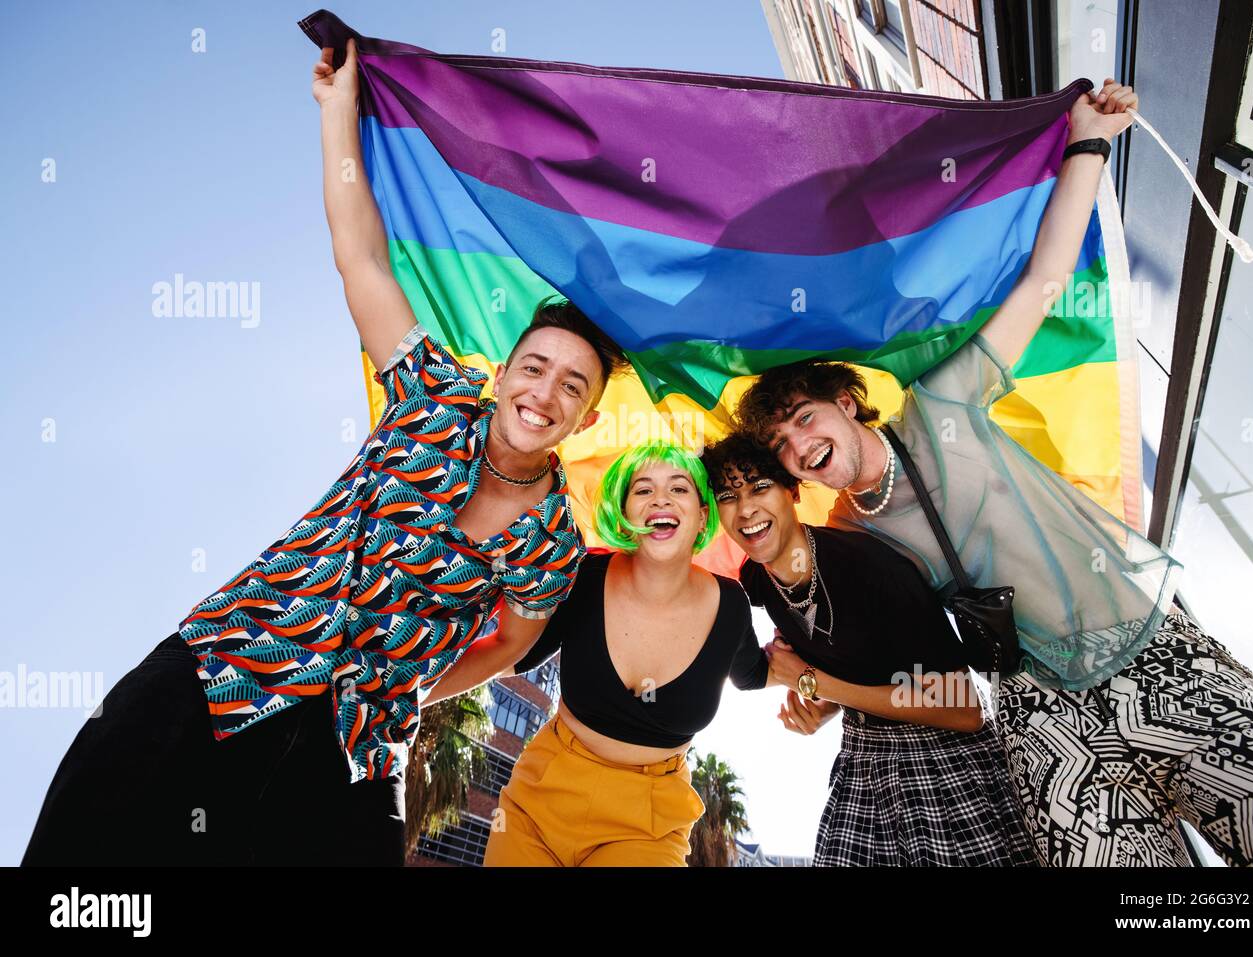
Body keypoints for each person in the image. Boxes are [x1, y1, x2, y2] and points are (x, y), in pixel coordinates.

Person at [22, 38, 630, 867]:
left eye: (572, 387)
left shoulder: (552, 541)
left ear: (587, 421)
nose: (544, 393)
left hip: (351, 753)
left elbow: (511, 644)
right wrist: (337, 111)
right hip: (227, 666)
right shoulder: (433, 396)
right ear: (502, 375)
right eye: (535, 368)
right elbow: (361, 258)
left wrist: (411, 687)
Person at [734, 80, 1253, 867]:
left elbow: (1043, 279)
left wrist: (1089, 143)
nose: (799, 443)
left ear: (846, 402)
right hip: (1043, 718)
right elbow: (882, 654)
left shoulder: (945, 403)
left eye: (803, 417)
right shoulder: (846, 535)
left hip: (1150, 649)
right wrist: (817, 697)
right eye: (782, 447)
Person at [422, 440, 775, 866]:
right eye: (643, 490)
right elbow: (512, 654)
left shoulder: (731, 605)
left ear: (702, 517)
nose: (660, 498)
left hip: (647, 824)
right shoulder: (585, 578)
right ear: (625, 516)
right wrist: (398, 695)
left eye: (679, 488)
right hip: (541, 799)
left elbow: (757, 673)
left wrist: (819, 687)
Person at [701, 433, 1038, 866]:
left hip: (947, 764)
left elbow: (962, 707)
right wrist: (822, 706)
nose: (746, 509)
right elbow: (856, 662)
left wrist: (811, 682)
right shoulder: (756, 582)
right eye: (728, 496)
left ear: (793, 490)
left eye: (760, 487)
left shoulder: (868, 568)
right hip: (862, 759)